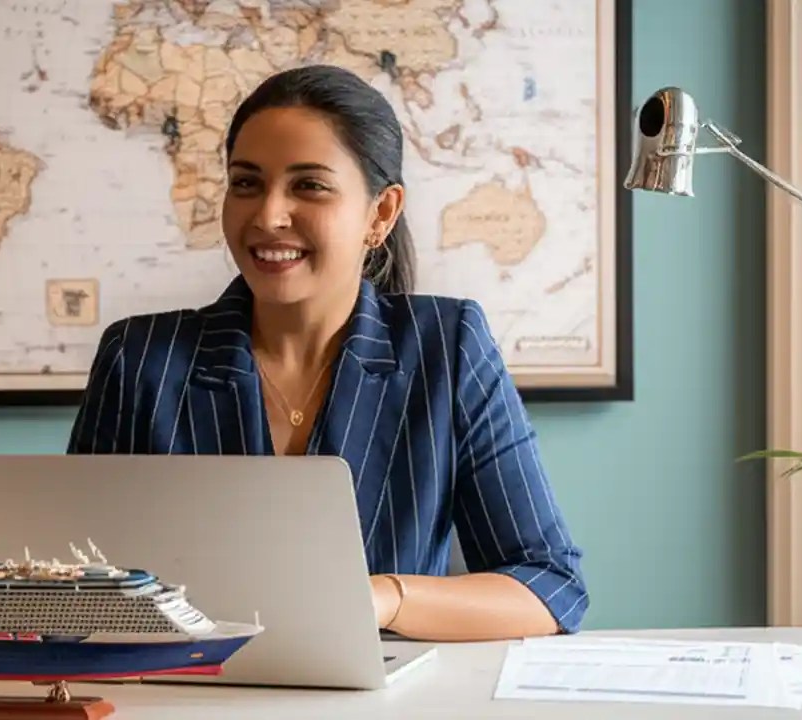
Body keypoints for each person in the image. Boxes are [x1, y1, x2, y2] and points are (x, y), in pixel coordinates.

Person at [67, 64, 587, 641]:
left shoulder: (449, 345)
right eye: (246, 183)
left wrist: (383, 597)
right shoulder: (140, 358)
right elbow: (76, 590)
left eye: (308, 185)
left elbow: (549, 587)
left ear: (380, 213)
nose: (267, 216)